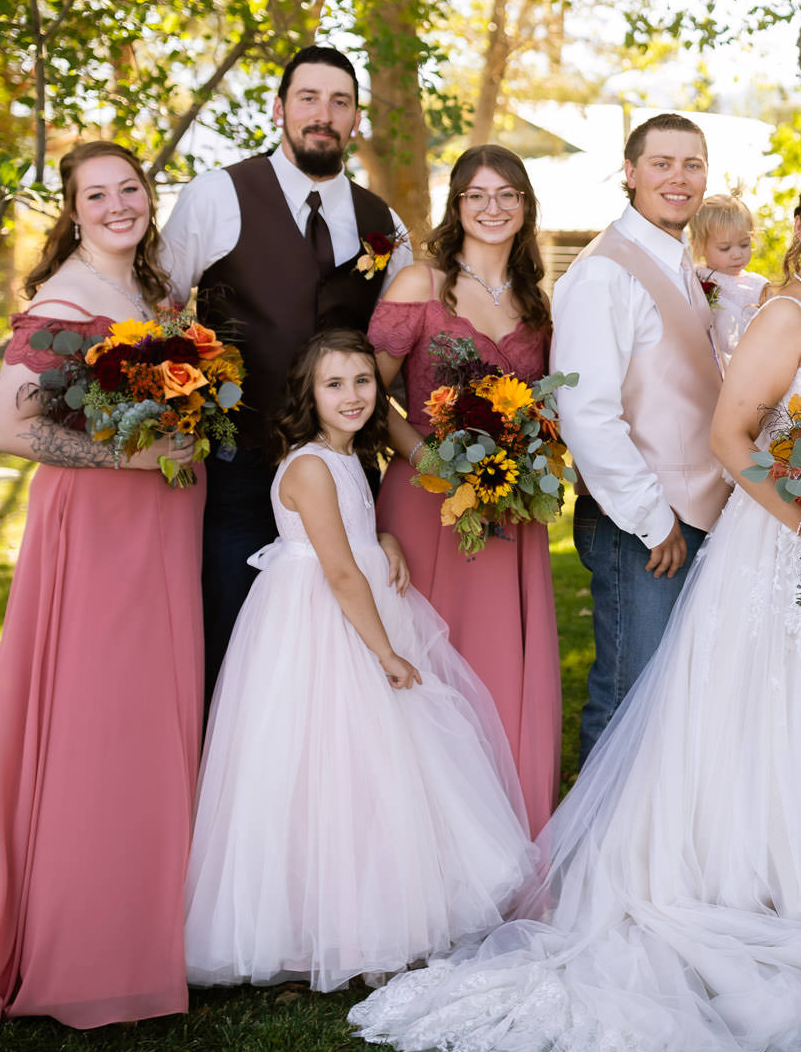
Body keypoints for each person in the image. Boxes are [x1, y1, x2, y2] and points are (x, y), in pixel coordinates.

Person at [349, 171, 801, 1052]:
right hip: (791, 547)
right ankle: (784, 886)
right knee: (787, 714)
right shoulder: (784, 315)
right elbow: (731, 439)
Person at [184, 330, 537, 992]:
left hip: (353, 607)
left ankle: (372, 911)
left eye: (363, 381)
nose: (352, 395)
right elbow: (340, 573)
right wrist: (386, 653)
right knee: (324, 766)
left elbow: (346, 538)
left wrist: (385, 539)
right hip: (323, 625)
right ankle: (312, 923)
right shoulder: (312, 465)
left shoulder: (347, 457)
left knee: (375, 766)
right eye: (334, 384)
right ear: (308, 395)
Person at [0, 141, 202, 1028]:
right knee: (101, 718)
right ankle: (91, 941)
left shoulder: (156, 294)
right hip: (101, 529)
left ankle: (156, 918)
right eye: (96, 195)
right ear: (72, 209)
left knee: (156, 709)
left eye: (129, 188)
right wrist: (134, 458)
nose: (117, 205)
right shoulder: (62, 303)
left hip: (164, 524)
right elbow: (8, 430)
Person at [162, 44, 411, 703]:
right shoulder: (217, 195)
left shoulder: (385, 225)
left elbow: (399, 344)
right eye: (308, 98)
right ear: (279, 109)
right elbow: (157, 309)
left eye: (339, 102)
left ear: (356, 119)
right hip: (239, 468)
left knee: (348, 649)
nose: (322, 114)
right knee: (235, 639)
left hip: (346, 472)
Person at [370, 145, 562, 830]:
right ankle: (424, 837)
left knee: (500, 664)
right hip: (426, 498)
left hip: (509, 505)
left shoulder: (538, 302)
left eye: (507, 194)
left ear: (525, 207)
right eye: (476, 195)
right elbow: (366, 396)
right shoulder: (419, 284)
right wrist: (429, 458)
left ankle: (507, 828)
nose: (492, 207)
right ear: (456, 206)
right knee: (433, 664)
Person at [551, 112, 726, 762]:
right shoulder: (604, 272)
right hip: (645, 529)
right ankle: (598, 834)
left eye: (692, 164)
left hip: (695, 515)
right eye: (662, 163)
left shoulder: (677, 263)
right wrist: (654, 521)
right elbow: (586, 411)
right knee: (629, 700)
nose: (679, 178)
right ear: (629, 172)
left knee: (676, 705)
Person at [692, 192, 768, 368]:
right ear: (700, 246)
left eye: (744, 244)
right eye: (725, 248)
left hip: (747, 367)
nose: (737, 254)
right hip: (706, 366)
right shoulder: (694, 277)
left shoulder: (758, 287)